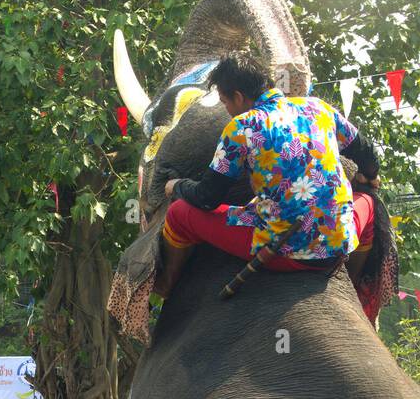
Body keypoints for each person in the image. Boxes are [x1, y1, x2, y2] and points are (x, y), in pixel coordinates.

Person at [157, 53, 381, 297]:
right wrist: (368, 176)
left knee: (179, 214)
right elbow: (367, 154)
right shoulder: (318, 107)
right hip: (341, 241)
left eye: (225, 101)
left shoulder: (242, 127)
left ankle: (166, 284)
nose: (227, 109)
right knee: (368, 202)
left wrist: (177, 185)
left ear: (239, 97)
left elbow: (208, 197)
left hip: (287, 248)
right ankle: (356, 286)